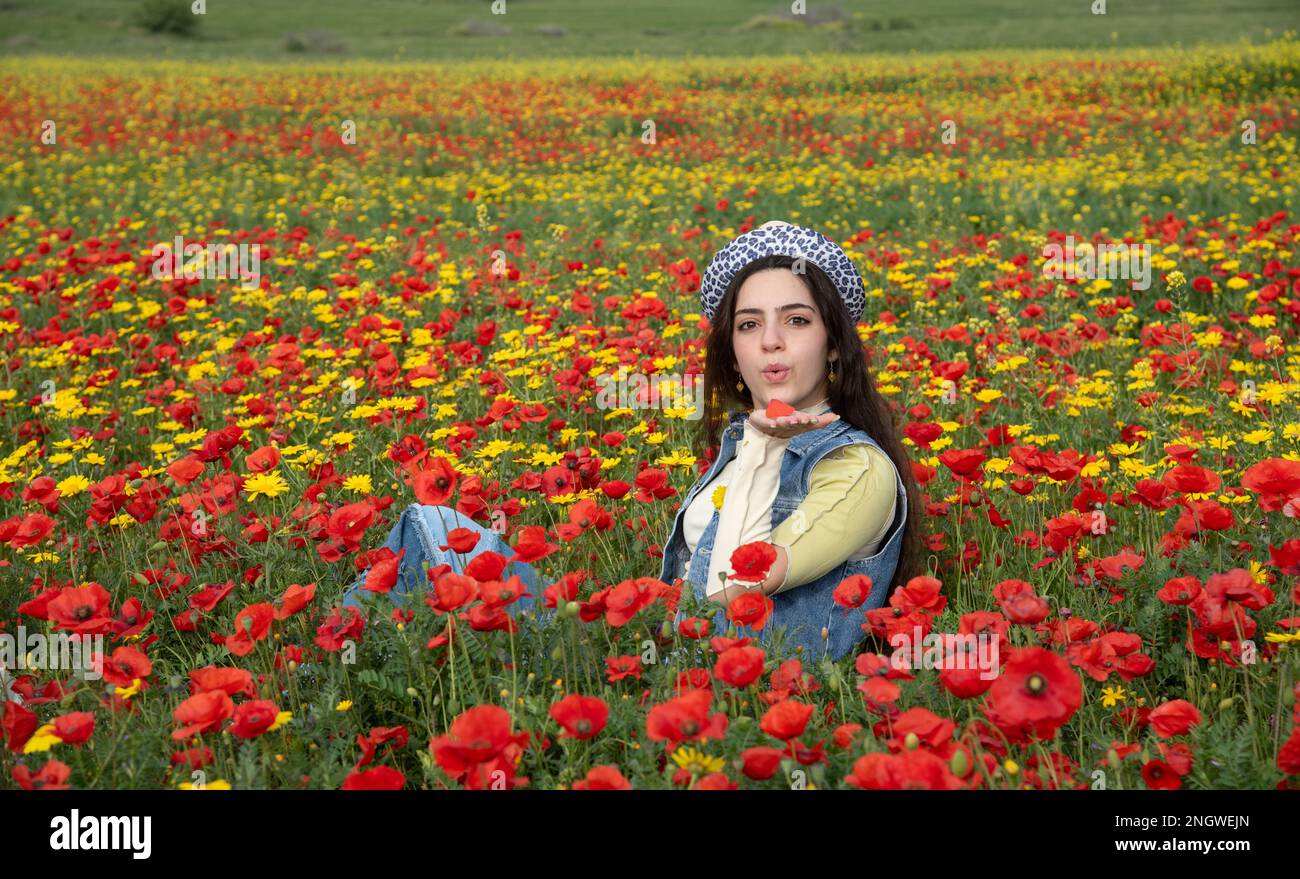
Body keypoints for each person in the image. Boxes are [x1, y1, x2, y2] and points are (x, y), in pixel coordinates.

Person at [342, 220, 923, 662]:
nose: (771, 341)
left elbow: (733, 588)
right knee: (439, 534)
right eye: (749, 324)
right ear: (733, 350)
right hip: (657, 655)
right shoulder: (743, 445)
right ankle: (350, 679)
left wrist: (763, 449)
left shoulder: (858, 470)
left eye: (796, 320)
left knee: (439, 536)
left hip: (714, 680)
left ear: (836, 345)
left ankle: (331, 682)